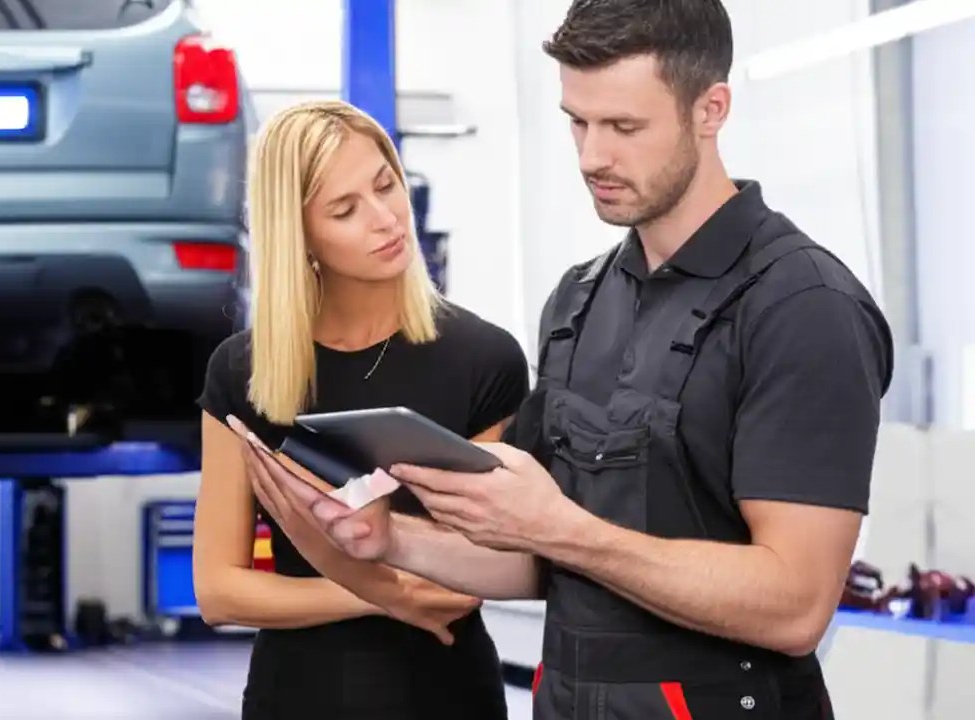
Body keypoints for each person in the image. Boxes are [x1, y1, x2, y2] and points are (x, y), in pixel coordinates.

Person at [234, 2, 895, 719]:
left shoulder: (800, 308)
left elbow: (795, 606)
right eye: (577, 122)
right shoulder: (580, 302)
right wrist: (392, 537)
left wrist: (562, 528)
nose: (590, 157)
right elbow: (536, 560)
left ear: (712, 109)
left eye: (624, 127)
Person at [191, 99, 529, 720]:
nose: (386, 219)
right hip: (294, 698)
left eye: (385, 185)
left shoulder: (482, 359)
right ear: (301, 237)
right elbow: (217, 589)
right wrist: (380, 597)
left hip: (444, 699)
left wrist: (361, 582)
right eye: (345, 210)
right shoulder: (245, 373)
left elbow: (464, 581)